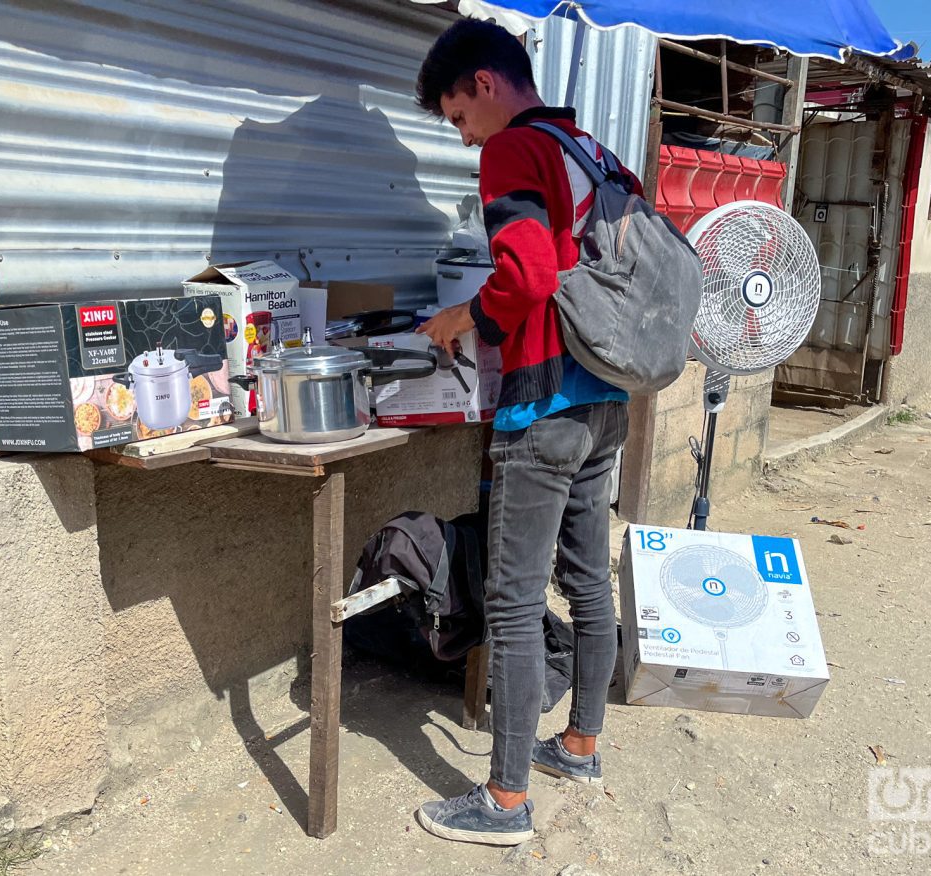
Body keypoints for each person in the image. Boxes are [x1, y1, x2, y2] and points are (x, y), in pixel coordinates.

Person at [413, 18, 644, 845]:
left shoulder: (511, 150)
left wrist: (462, 318)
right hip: (607, 398)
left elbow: (527, 275)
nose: (462, 134)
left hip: (542, 401)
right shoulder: (594, 152)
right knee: (586, 584)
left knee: (511, 605)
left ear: (483, 83)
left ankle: (504, 802)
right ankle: (580, 742)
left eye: (454, 116)